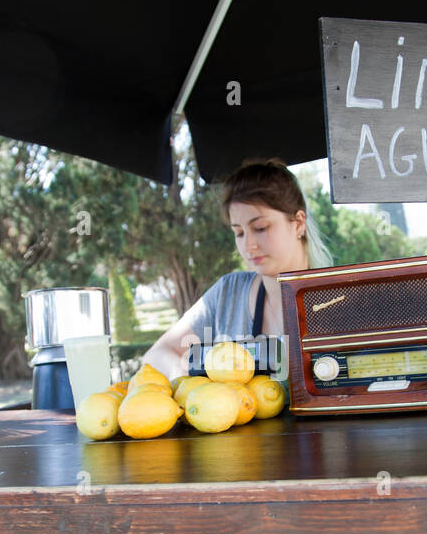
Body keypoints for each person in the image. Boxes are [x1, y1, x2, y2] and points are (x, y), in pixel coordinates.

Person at [141, 159, 332, 379]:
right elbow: (157, 354)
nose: (248, 245)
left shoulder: (337, 300)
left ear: (298, 223)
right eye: (239, 232)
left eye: (260, 228)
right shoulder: (227, 293)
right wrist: (201, 387)